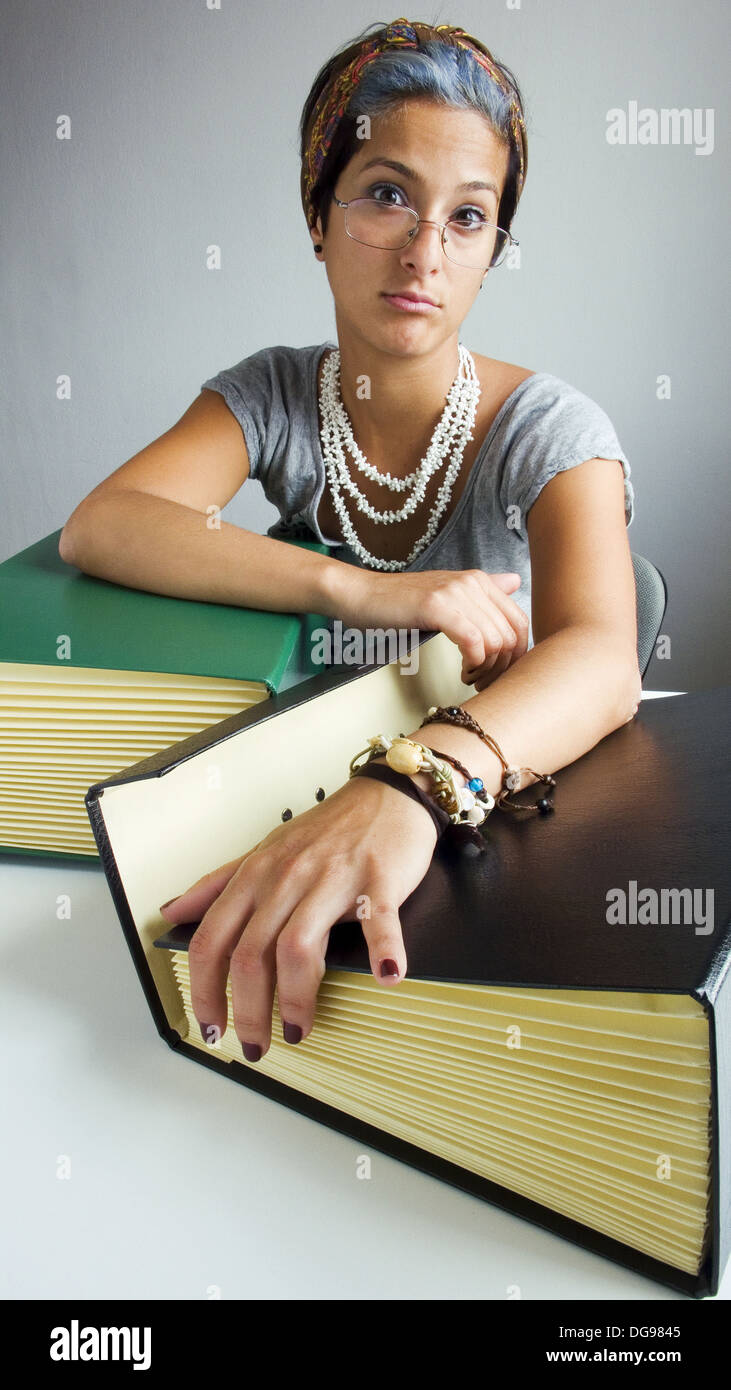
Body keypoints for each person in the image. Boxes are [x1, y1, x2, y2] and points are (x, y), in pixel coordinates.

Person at [59, 19, 641, 1064]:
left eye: (468, 218)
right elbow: (108, 523)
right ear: (316, 213)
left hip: (474, 818)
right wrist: (367, 591)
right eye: (384, 195)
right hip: (286, 792)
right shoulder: (277, 394)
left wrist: (417, 784)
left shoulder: (553, 431)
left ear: (491, 250)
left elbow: (601, 662)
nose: (424, 252)